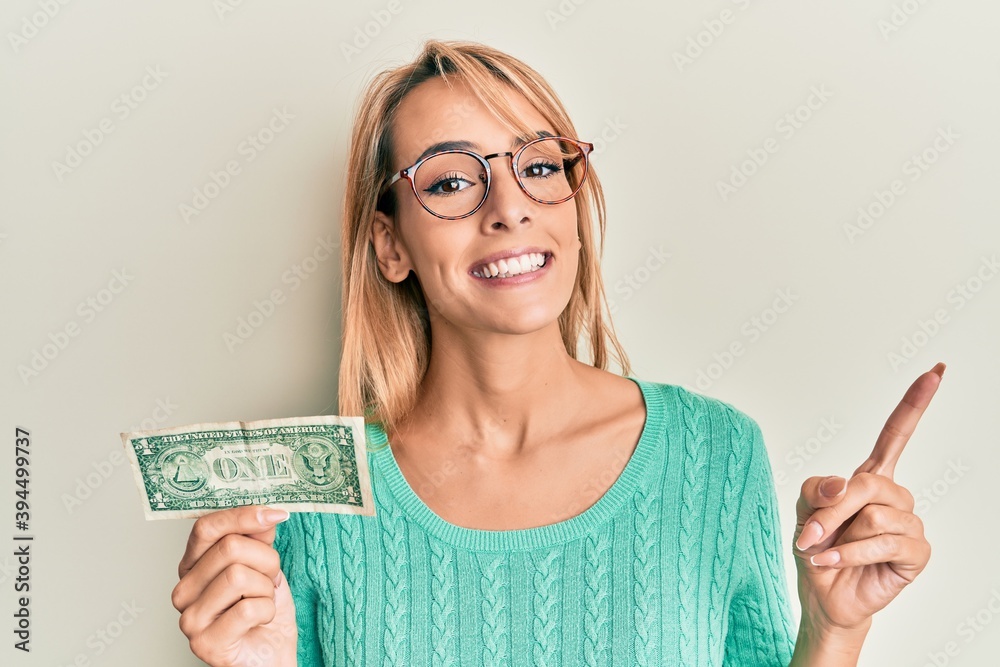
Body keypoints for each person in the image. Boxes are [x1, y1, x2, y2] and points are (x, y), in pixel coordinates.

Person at [170, 39, 938, 666]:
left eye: (538, 166)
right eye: (448, 181)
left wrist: (835, 631)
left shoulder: (717, 453)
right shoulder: (304, 498)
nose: (508, 208)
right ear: (390, 243)